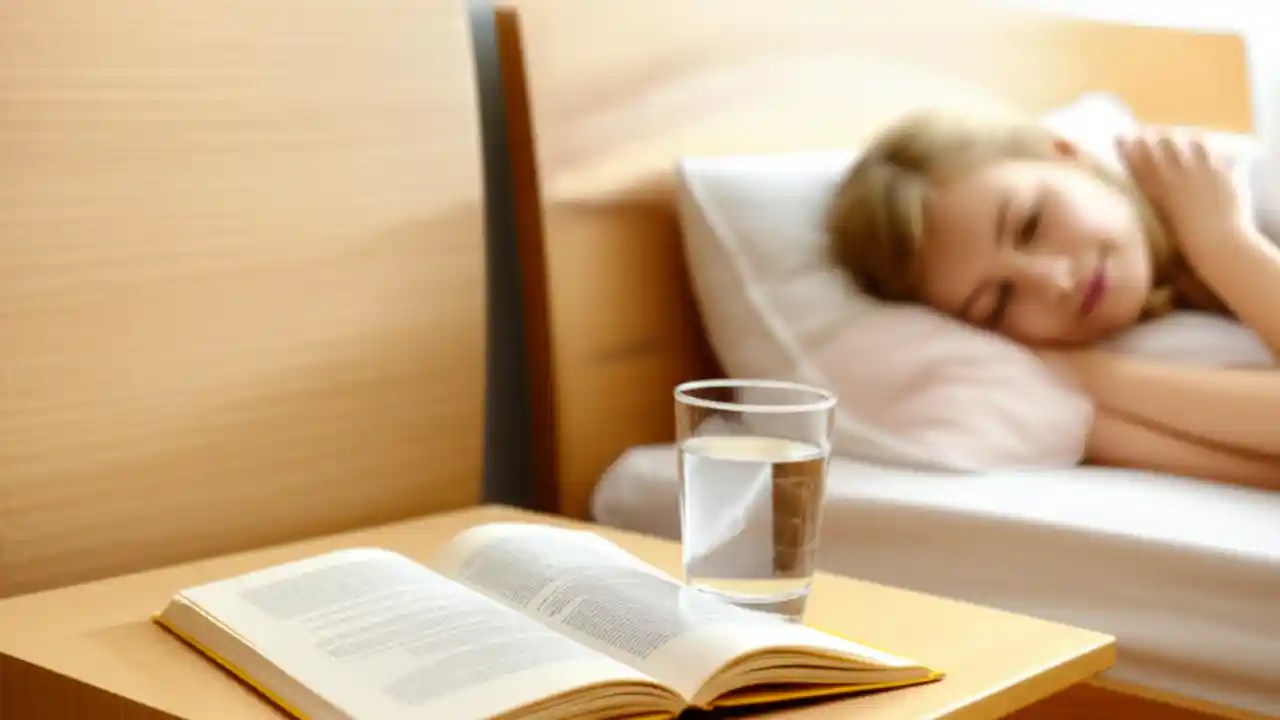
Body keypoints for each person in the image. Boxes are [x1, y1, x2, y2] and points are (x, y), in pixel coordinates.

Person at [825, 109, 1280, 487]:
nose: (1055, 281)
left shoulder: (1249, 188)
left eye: (1031, 224)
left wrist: (1223, 243)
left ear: (1066, 153)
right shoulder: (1132, 355)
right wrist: (1097, 423)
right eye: (999, 301)